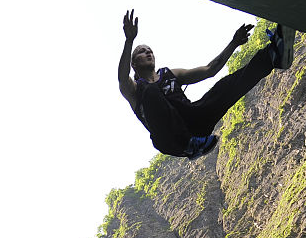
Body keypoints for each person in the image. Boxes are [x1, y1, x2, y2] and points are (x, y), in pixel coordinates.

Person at [119, 10, 293, 159]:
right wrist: (129, 41)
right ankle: (189, 145)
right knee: (150, 90)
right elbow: (122, 77)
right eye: (142, 52)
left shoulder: (170, 74)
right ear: (134, 63)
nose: (148, 52)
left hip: (195, 122)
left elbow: (210, 69)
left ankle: (272, 56)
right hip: (170, 140)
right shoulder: (134, 89)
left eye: (150, 50)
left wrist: (234, 43)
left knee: (224, 87)